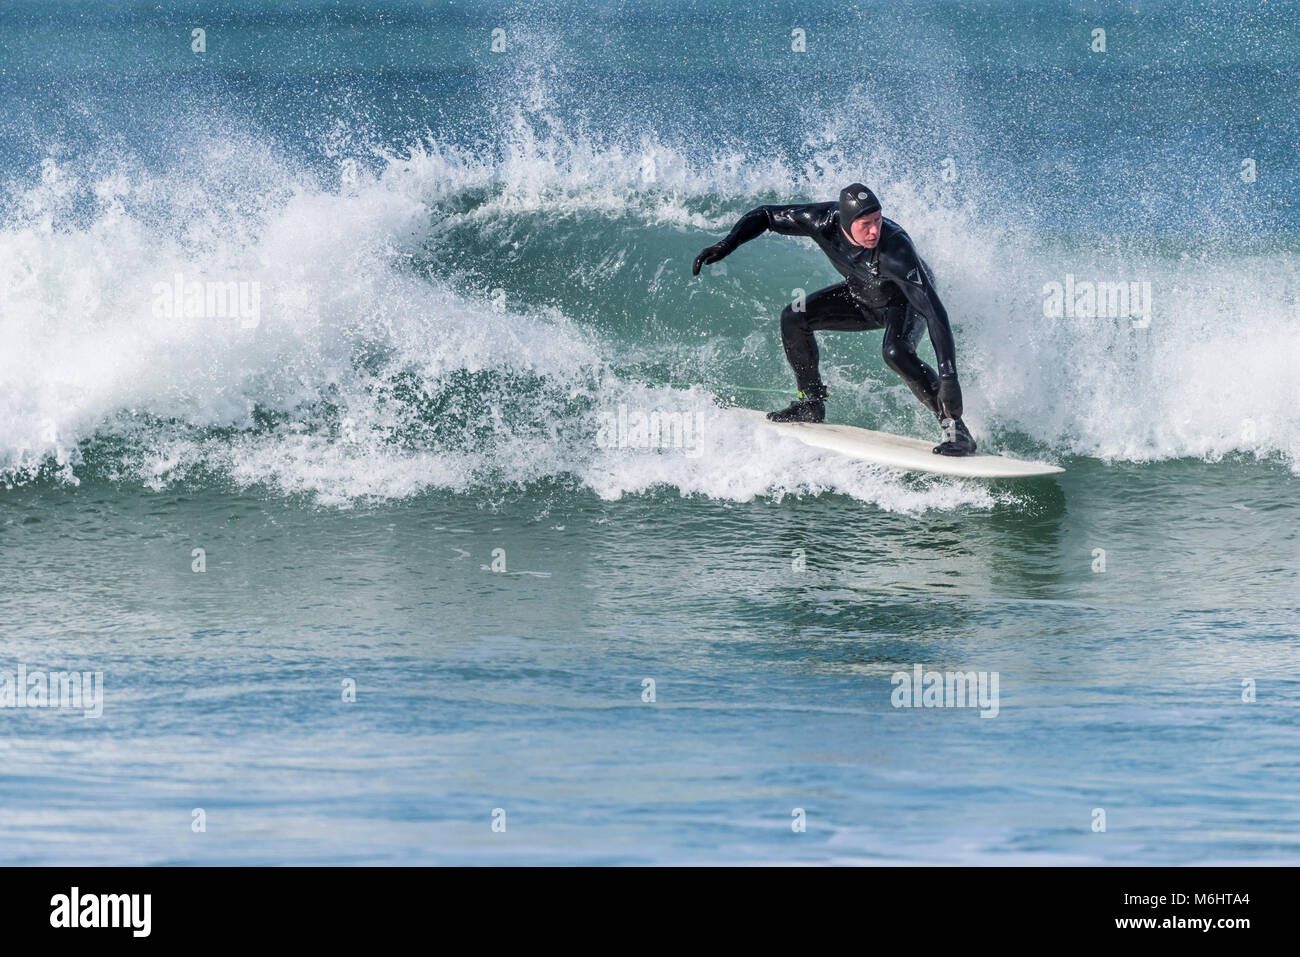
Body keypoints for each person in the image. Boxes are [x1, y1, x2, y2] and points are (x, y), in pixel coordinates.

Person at [692, 184, 976, 455]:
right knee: (794, 316)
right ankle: (810, 403)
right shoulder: (822, 221)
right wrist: (727, 244)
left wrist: (949, 378)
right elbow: (766, 215)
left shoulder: (897, 250)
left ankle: (956, 431)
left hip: (904, 302)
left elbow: (933, 311)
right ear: (846, 222)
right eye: (866, 224)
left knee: (896, 352)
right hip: (862, 295)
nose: (875, 229)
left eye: (878, 219)